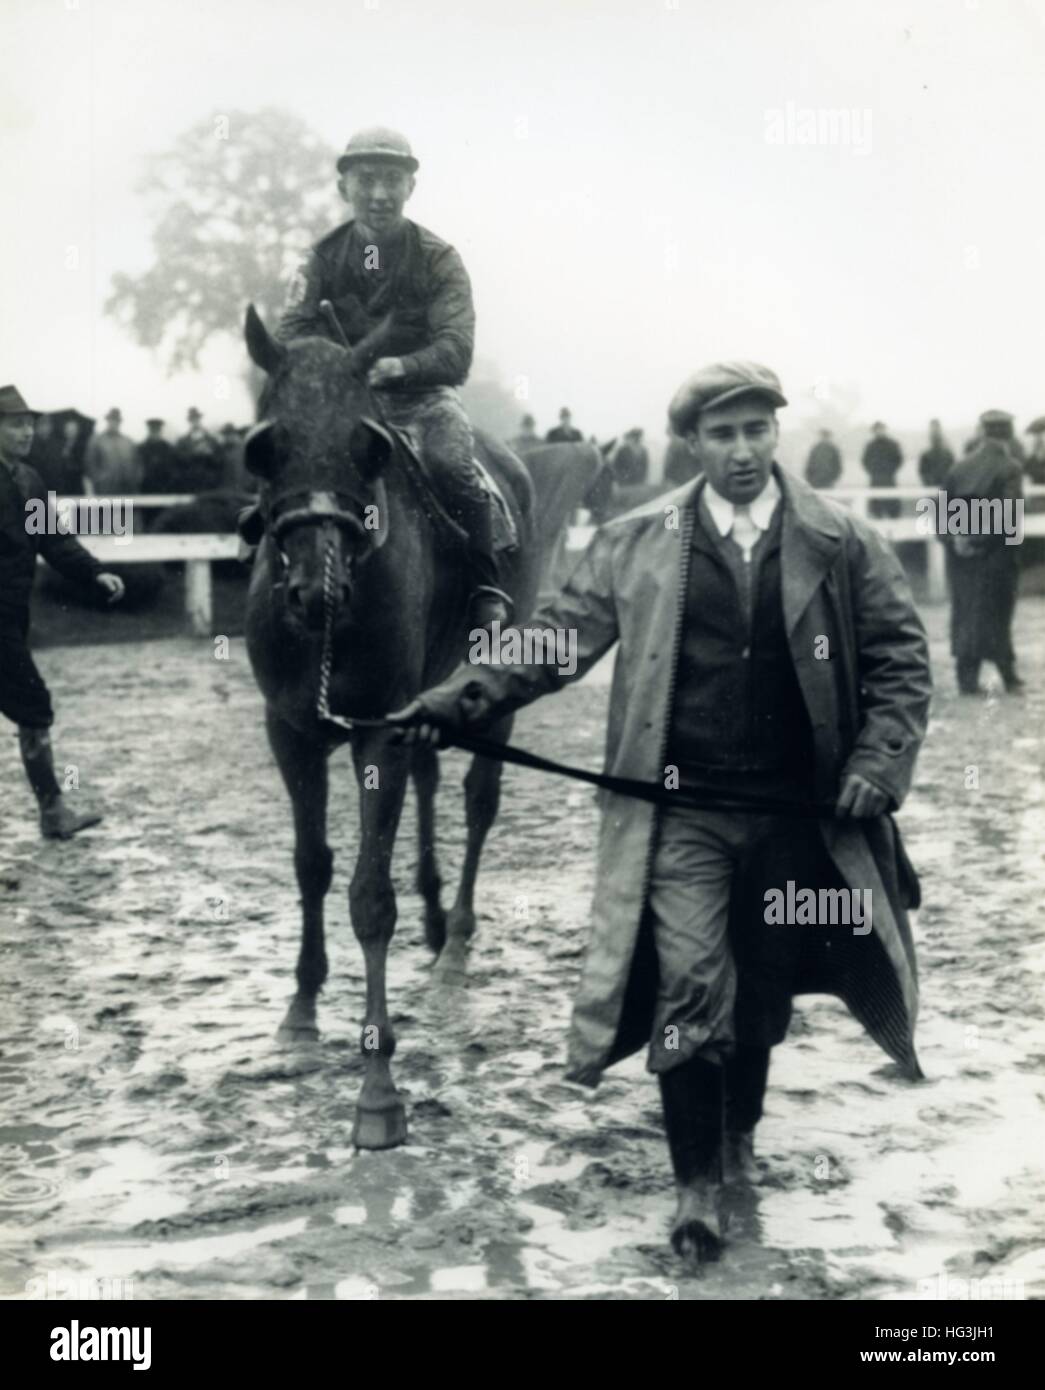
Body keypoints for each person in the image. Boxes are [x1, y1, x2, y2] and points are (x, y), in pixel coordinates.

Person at [389, 360, 930, 1263]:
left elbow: (900, 661)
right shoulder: (638, 543)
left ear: (775, 435)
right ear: (691, 444)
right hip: (678, 813)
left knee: (758, 993)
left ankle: (736, 1134)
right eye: (722, 435)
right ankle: (695, 1188)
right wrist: (457, 697)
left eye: (757, 430)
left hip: (799, 818)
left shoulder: (838, 540)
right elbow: (552, 639)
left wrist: (878, 762)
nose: (743, 450)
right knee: (689, 985)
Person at [275, 126, 510, 629]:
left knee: (451, 466)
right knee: (288, 462)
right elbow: (291, 333)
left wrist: (401, 366)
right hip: (344, 404)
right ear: (344, 188)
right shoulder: (316, 259)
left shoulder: (440, 259)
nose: (379, 194)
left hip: (423, 401)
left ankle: (484, 585)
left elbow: (457, 349)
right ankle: (269, 558)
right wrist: (339, 371)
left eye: (391, 180)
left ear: (411, 187)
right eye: (365, 180)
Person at [0, 386, 126, 838]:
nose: (25, 431)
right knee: (33, 703)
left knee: (30, 704)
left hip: (13, 615)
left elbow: (54, 541)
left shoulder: (29, 480)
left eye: (28, 423)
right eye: (14, 423)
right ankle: (53, 812)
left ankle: (52, 811)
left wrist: (94, 573)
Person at [943, 409, 1024, 695]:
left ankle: (966, 679)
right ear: (1009, 433)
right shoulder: (1010, 467)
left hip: (960, 557)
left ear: (982, 431)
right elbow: (1008, 516)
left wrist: (957, 541)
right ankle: (1009, 676)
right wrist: (980, 541)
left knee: (965, 612)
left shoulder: (959, 467)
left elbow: (942, 516)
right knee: (998, 613)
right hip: (995, 554)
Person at [84, 408, 141, 495]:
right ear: (107, 421)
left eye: (116, 420)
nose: (114, 423)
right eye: (111, 420)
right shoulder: (97, 440)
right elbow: (90, 463)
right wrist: (100, 479)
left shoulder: (128, 442)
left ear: (120, 422)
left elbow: (137, 463)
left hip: (126, 489)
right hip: (105, 489)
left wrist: (135, 479)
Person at [175, 407, 222, 492]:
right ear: (189, 421)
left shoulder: (211, 440)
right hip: (189, 483)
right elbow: (178, 460)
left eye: (196, 419)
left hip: (209, 483)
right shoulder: (182, 441)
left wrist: (209, 453)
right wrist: (194, 453)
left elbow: (219, 460)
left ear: (200, 419)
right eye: (192, 420)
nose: (195, 422)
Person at [138, 418, 179, 494]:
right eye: (152, 431)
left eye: (157, 431)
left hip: (166, 488)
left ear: (160, 431)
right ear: (149, 431)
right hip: (146, 489)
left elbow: (174, 469)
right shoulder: (141, 448)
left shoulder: (168, 448)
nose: (155, 433)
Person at [918, 418, 955, 488]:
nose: (934, 431)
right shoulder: (925, 455)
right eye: (932, 429)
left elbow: (952, 470)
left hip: (944, 487)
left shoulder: (947, 453)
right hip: (932, 487)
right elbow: (923, 472)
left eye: (936, 429)